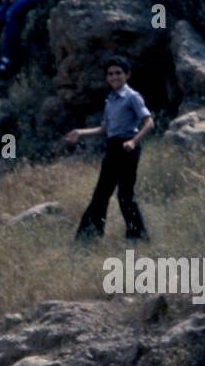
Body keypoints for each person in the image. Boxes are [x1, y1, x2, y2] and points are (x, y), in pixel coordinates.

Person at [66, 55, 154, 242]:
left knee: (125, 195)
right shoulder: (111, 100)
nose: (114, 77)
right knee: (101, 194)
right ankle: (89, 237)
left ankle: (137, 237)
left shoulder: (132, 97)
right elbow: (105, 129)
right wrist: (80, 132)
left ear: (127, 75)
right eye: (110, 74)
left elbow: (149, 123)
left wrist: (134, 142)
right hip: (113, 147)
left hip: (128, 147)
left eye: (118, 73)